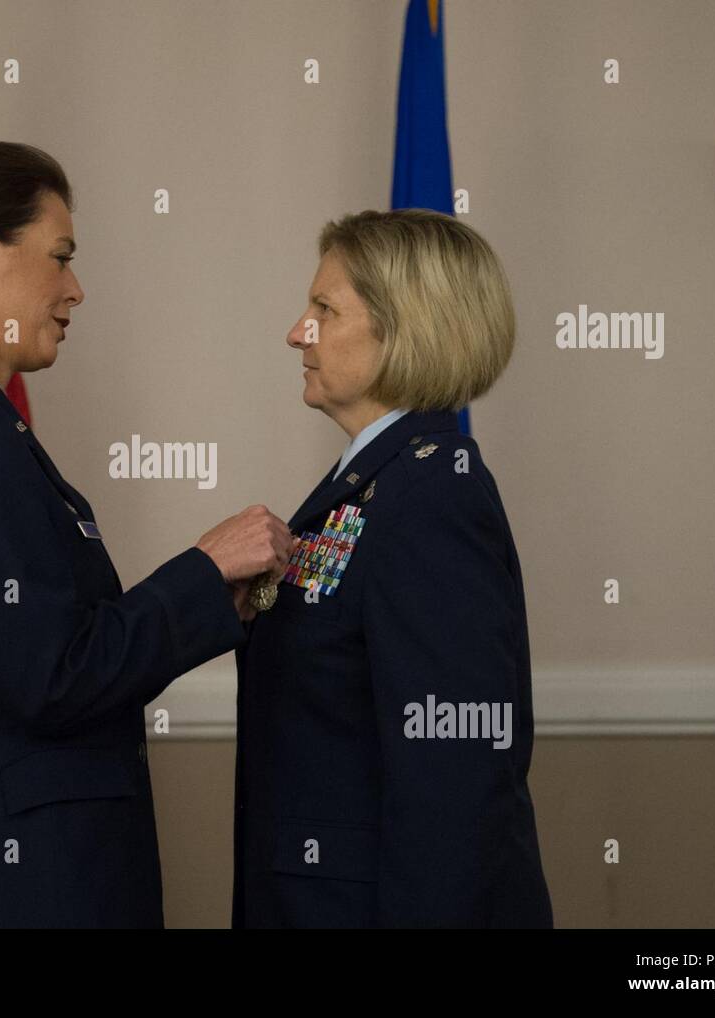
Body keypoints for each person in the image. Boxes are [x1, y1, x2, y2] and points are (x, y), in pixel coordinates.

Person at [0, 140, 292, 928]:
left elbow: (46, 647)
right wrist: (201, 567)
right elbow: (50, 675)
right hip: (23, 892)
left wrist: (215, 601)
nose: (75, 289)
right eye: (59, 257)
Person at [233, 208, 553, 928]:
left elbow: (455, 784)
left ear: (403, 328)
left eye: (323, 309)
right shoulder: (378, 483)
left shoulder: (430, 497)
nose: (297, 332)